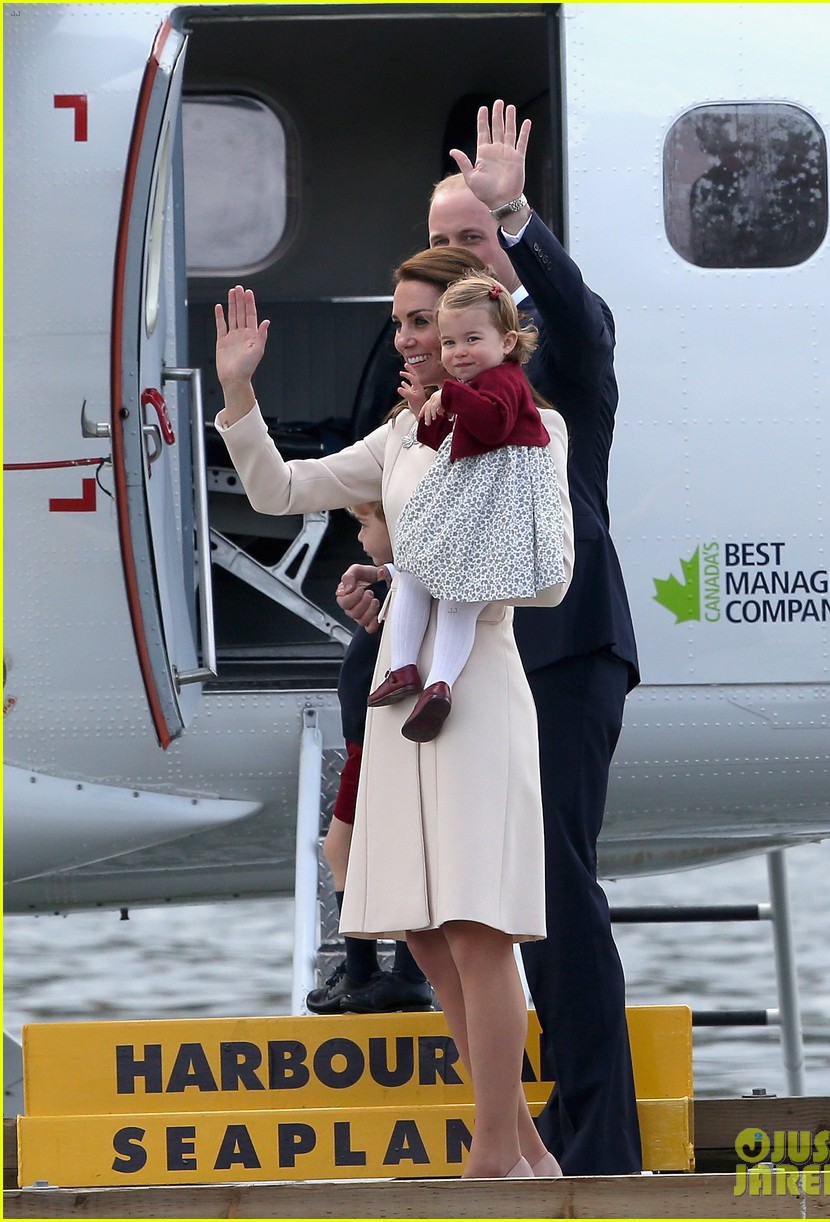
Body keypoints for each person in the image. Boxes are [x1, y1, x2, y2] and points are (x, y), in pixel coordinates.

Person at [213, 253, 575, 1179]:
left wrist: (440, 579)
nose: (415, 344)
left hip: (476, 686)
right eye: (409, 328)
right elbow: (276, 492)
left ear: (481, 336)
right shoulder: (399, 440)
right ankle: (525, 1142)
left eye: (431, 326)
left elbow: (550, 579)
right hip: (400, 694)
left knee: (476, 923)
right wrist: (239, 395)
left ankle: (494, 1149)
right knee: (418, 922)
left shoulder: (535, 426)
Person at [339, 100, 643, 1176]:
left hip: (556, 654)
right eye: (445, 239)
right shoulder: (417, 365)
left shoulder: (552, 353)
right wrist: (377, 568)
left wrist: (516, 212)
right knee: (469, 914)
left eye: (474, 238)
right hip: (456, 670)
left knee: (552, 892)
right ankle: (520, 1148)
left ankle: (596, 1149)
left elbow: (575, 310)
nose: (453, 258)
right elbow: (400, 506)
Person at [368, 273, 564, 743]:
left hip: (493, 509)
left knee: (459, 598)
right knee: (413, 570)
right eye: (451, 341)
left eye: (473, 339)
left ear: (508, 341)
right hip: (467, 500)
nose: (458, 352)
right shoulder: (469, 387)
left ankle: (440, 683)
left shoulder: (506, 381)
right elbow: (449, 441)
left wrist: (450, 395)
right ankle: (406, 670)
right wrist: (424, 411)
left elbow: (494, 425)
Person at [305, 502, 435, 1016]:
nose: (359, 538)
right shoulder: (398, 588)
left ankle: (379, 971)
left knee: (343, 850)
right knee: (352, 850)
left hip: (377, 743)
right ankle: (383, 970)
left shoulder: (410, 591)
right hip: (368, 741)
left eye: (365, 524)